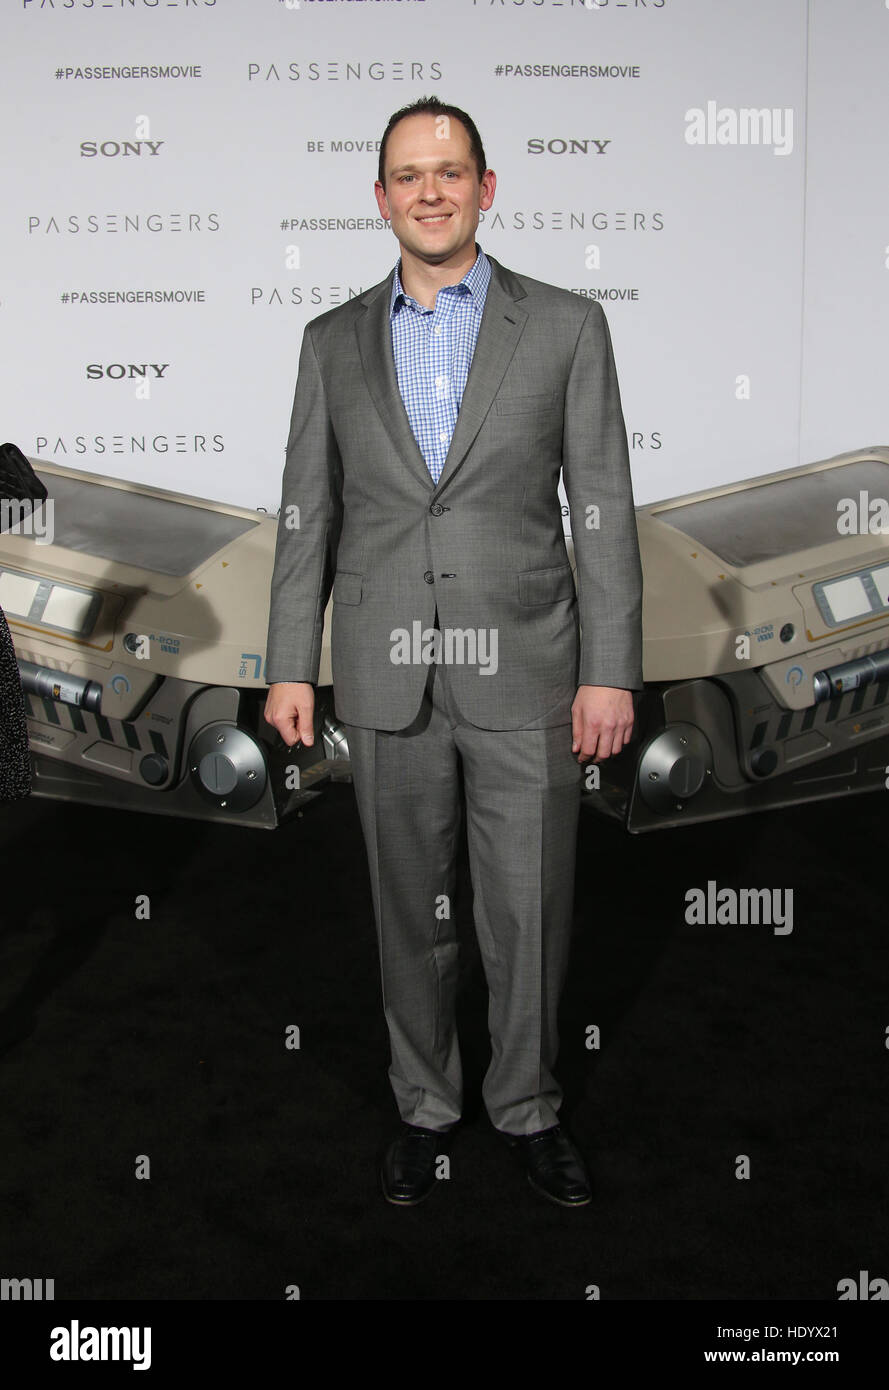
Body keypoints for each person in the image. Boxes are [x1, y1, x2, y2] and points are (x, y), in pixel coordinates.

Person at [264, 96, 643, 1209]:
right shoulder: (329, 342)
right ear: (379, 198)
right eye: (408, 174)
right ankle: (426, 1109)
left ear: (486, 187)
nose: (430, 190)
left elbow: (604, 509)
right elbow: (306, 514)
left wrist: (609, 669)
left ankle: (526, 1108)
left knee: (526, 912)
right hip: (383, 676)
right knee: (405, 910)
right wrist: (291, 660)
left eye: (450, 170)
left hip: (530, 670)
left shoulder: (568, 327)